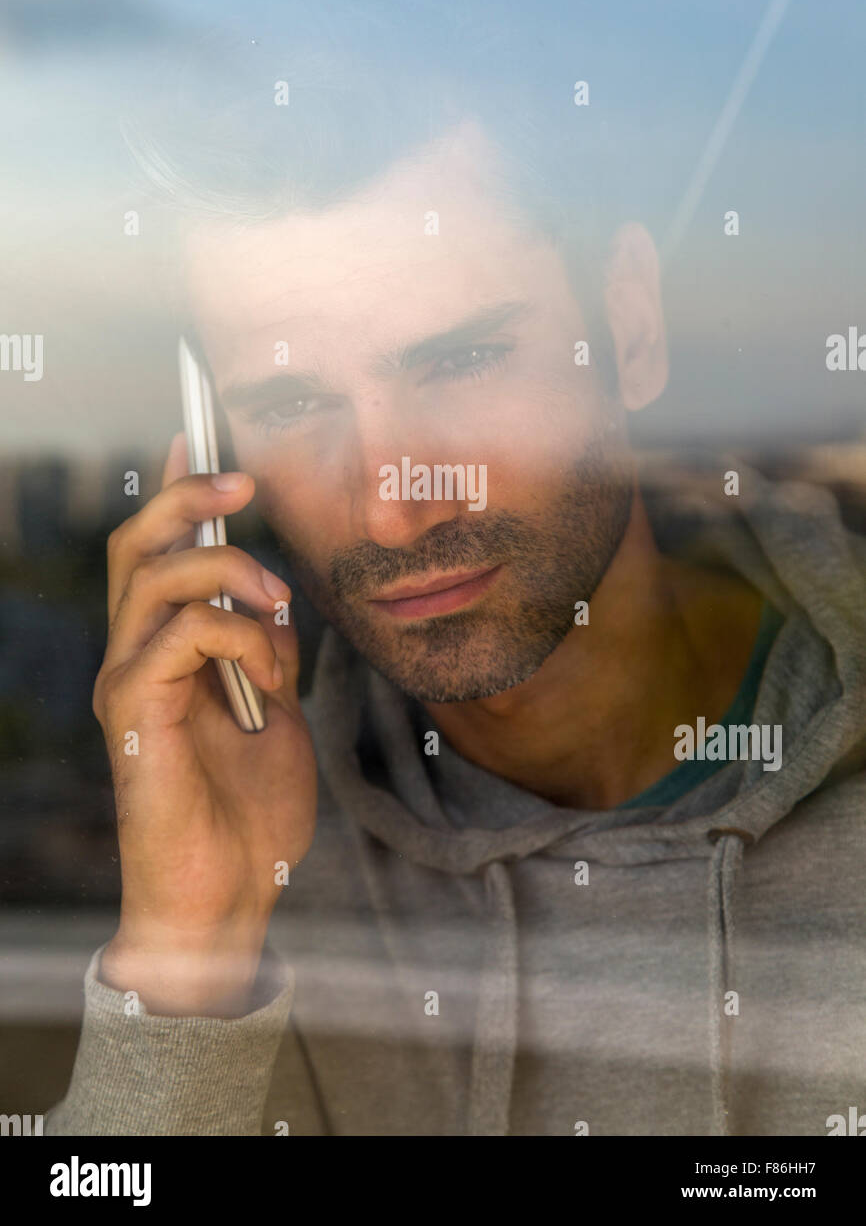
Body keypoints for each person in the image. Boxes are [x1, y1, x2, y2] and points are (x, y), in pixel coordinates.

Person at [44, 99, 866, 1138]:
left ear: (631, 326)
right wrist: (188, 957)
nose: (391, 504)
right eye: (295, 405)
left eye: (462, 361)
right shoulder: (250, 850)